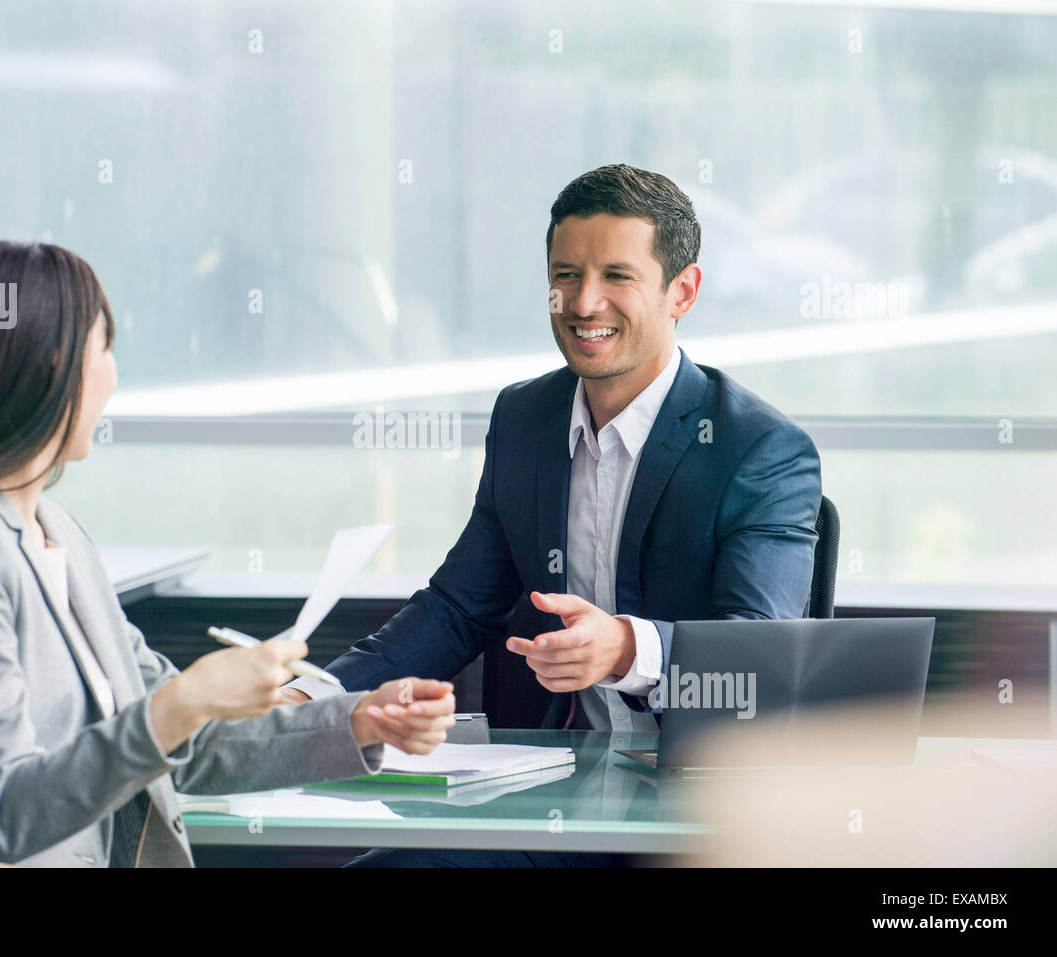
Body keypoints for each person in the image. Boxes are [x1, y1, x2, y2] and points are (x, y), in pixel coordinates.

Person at [0, 241, 455, 867]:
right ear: (51, 362)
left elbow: (189, 744)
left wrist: (359, 720)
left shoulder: (60, 536)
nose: (114, 374)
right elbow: (5, 811)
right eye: (104, 345)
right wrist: (184, 703)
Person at [281, 163, 823, 866]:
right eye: (565, 274)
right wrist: (315, 697)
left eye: (617, 277)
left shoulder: (759, 449)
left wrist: (628, 647)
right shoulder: (524, 418)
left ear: (681, 290)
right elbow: (455, 609)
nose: (583, 302)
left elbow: (761, 659)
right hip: (552, 797)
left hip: (701, 813)